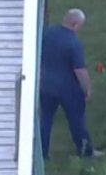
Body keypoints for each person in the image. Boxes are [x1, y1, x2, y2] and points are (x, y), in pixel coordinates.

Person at [39, 8, 97, 158]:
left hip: (46, 86)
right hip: (68, 90)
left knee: (45, 121)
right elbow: (80, 71)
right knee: (77, 121)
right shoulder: (73, 42)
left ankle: (41, 153)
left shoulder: (48, 33)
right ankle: (86, 151)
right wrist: (87, 88)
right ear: (75, 24)